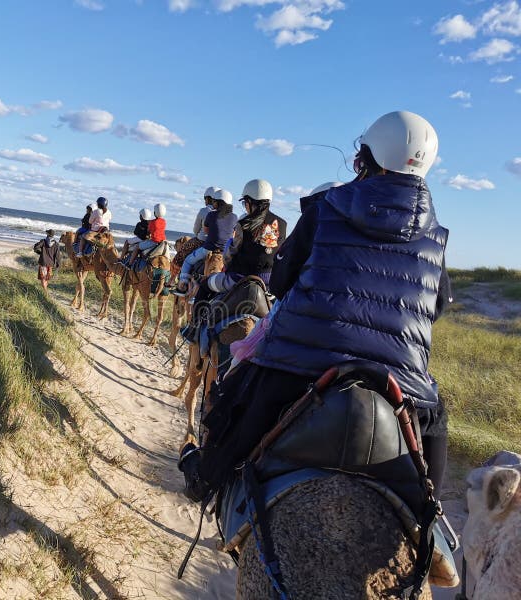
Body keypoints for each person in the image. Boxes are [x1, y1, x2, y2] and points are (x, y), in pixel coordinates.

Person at [184, 111, 452, 500]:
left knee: (238, 396)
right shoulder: (436, 233)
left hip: (303, 356)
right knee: (435, 423)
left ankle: (205, 477)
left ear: (368, 156)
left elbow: (281, 279)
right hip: (401, 374)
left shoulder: (326, 206)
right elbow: (438, 306)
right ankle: (430, 519)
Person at [175, 188, 237, 294]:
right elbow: (233, 235)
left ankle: (183, 285)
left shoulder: (211, 214)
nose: (213, 203)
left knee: (187, 261)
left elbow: (205, 230)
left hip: (208, 249)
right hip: (225, 252)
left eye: (214, 201)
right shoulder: (235, 217)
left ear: (218, 202)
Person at [33, 229, 61, 294]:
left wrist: (40, 253)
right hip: (50, 264)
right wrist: (58, 265)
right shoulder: (56, 244)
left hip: (43, 263)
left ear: (48, 234)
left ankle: (46, 293)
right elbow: (58, 256)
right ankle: (45, 291)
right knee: (47, 278)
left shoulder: (43, 241)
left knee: (43, 278)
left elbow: (35, 247)